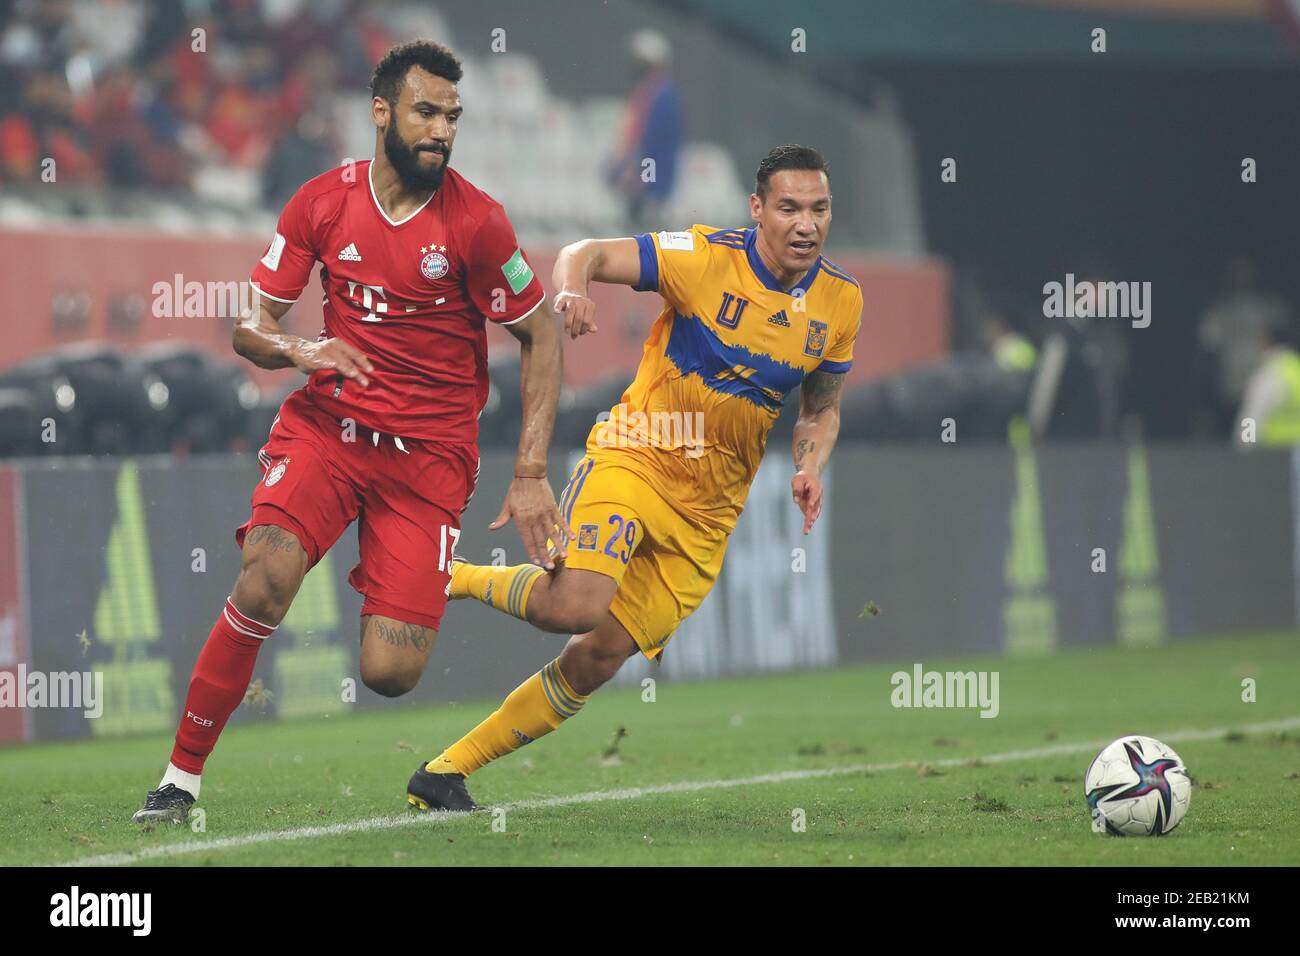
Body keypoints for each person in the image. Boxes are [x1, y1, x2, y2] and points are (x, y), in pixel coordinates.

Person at [132, 40, 565, 824]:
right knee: (262, 579)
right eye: (426, 112)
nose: (441, 130)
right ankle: (178, 782)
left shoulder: (478, 223)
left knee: (390, 672)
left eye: (453, 117)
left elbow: (542, 333)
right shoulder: (322, 202)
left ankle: (441, 573)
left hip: (430, 460)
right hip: (328, 430)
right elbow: (250, 327)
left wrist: (530, 470)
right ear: (381, 113)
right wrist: (305, 349)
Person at [405, 144, 862, 812]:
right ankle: (458, 577)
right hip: (638, 454)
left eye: (819, 209)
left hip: (708, 512)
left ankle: (444, 773)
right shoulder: (703, 258)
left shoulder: (840, 301)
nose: (806, 224)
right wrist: (570, 288)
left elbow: (821, 409)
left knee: (597, 657)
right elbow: (586, 251)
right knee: (577, 605)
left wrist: (809, 463)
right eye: (789, 207)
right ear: (757, 209)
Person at [605, 30, 682, 231]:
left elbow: (652, 142)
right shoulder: (646, 92)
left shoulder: (662, 95)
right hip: (645, 177)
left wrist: (639, 171)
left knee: (646, 231)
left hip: (651, 179)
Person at [1236, 322, 1300, 448]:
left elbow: (1252, 417)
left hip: (1275, 455)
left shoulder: (1270, 373)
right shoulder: (1295, 368)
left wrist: (1242, 450)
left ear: (1266, 339)